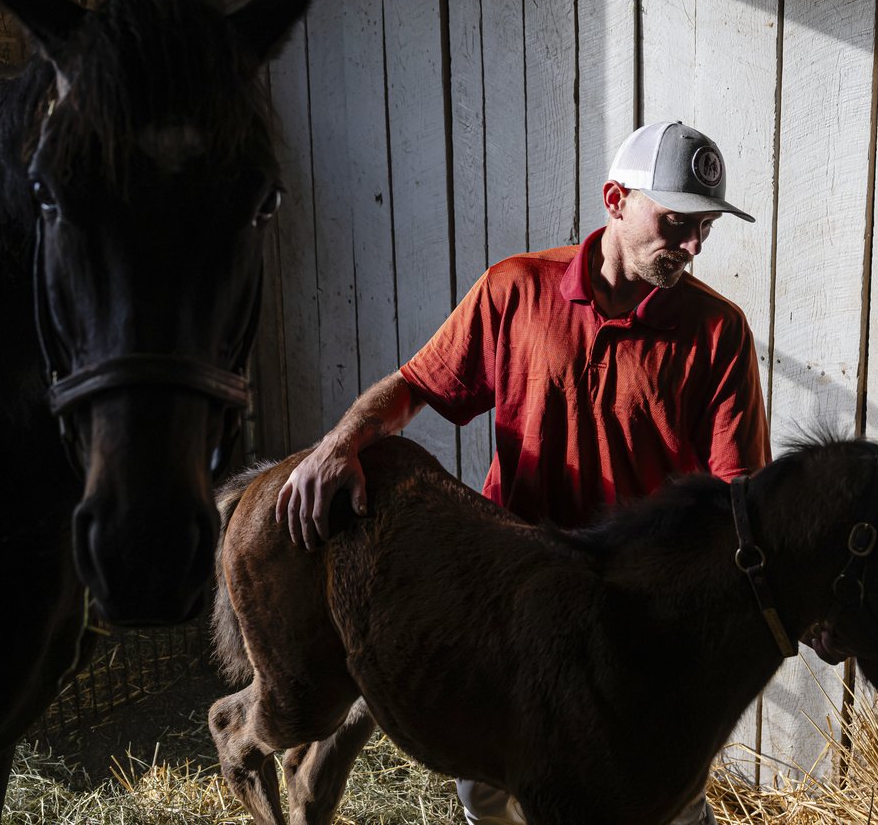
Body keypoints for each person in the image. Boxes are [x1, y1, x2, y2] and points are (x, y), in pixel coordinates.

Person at [275, 120, 772, 825]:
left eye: (706, 228)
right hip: (512, 592)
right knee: (492, 784)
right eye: (677, 222)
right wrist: (340, 442)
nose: (692, 246)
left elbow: (739, 496)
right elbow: (418, 383)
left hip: (634, 610)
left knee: (661, 794)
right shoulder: (517, 290)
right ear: (615, 199)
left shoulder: (720, 333)